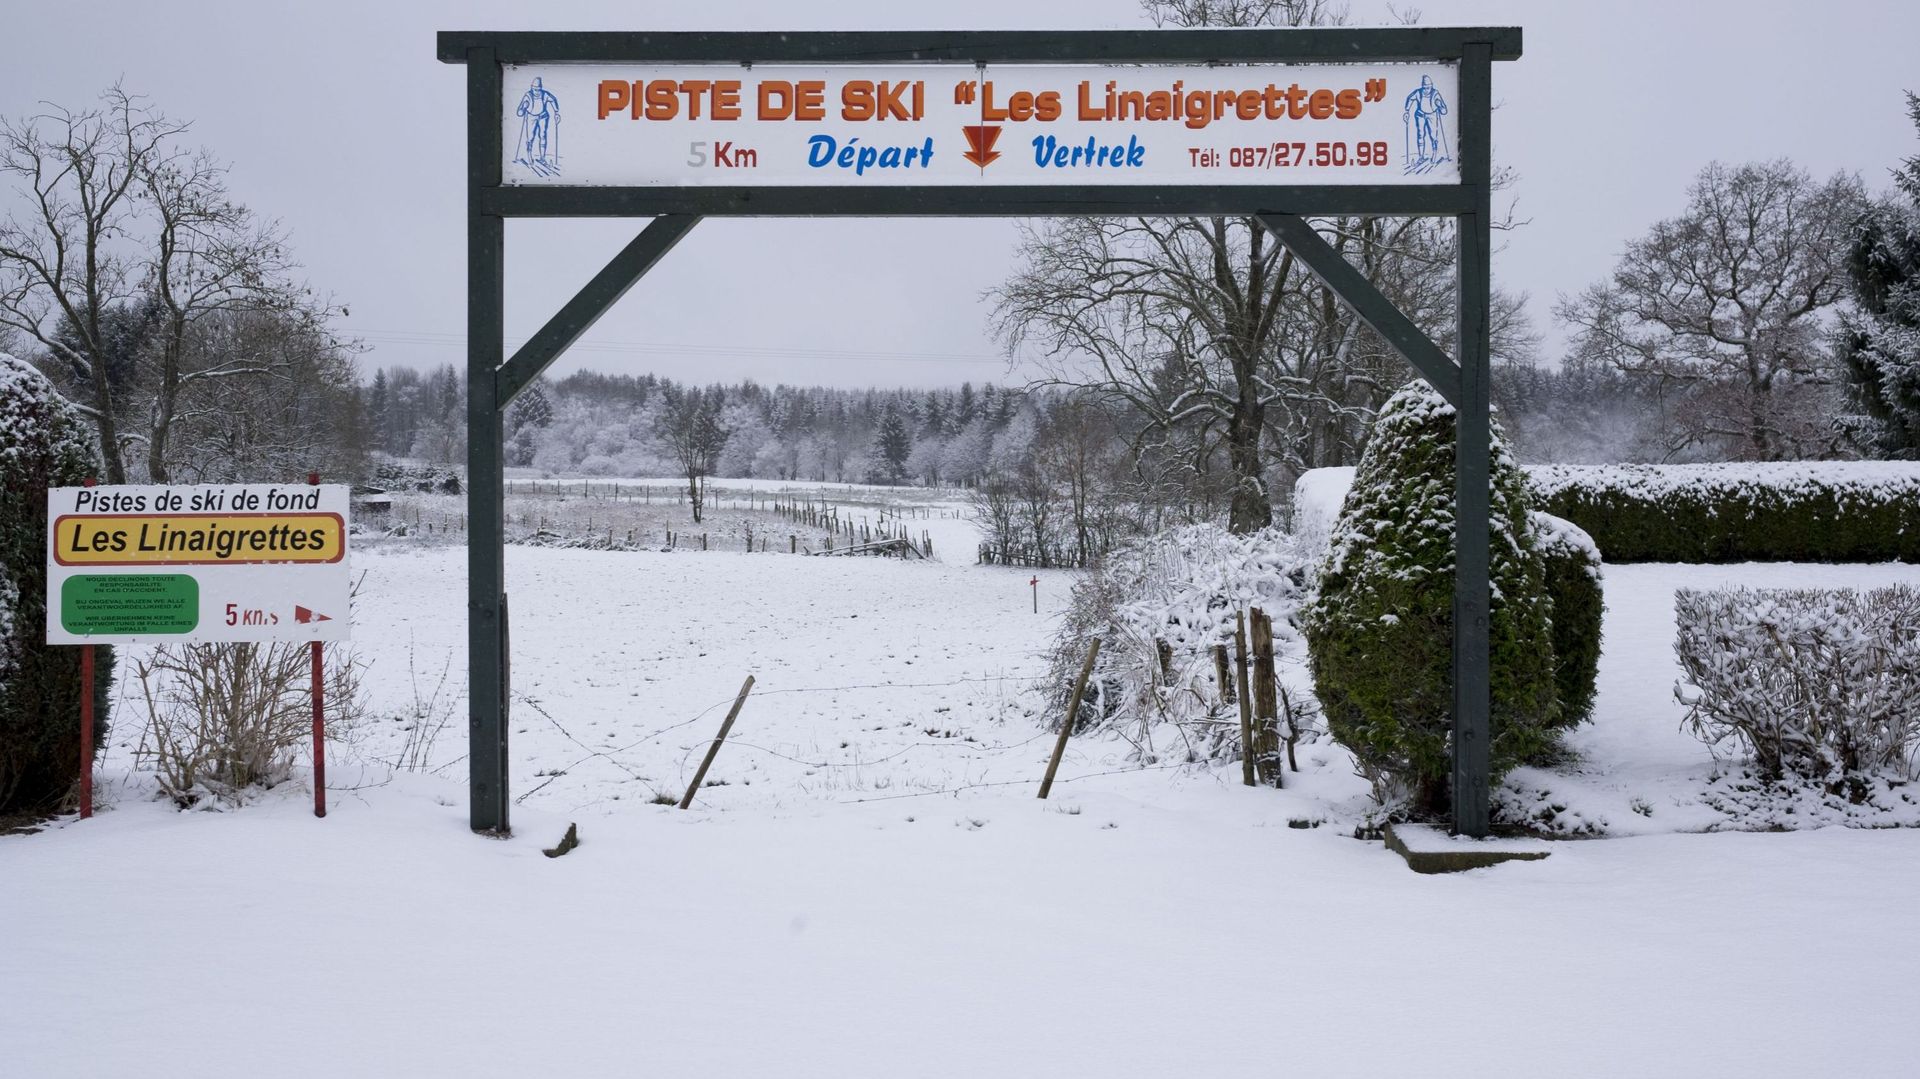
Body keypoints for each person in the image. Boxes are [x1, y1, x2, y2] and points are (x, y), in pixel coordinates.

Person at [1402, 75, 1449, 172]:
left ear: (1431, 86)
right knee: (1420, 134)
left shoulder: (1435, 93)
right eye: (1425, 87)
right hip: (1420, 114)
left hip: (1431, 115)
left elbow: (1444, 111)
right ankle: (1421, 156)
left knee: (1433, 135)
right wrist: (1407, 111)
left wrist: (1440, 106)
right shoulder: (1418, 92)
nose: (1427, 90)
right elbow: (1410, 98)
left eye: (1429, 87)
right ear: (1422, 86)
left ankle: (1434, 155)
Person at [515, 77, 560, 175]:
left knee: (543, 135)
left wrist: (556, 112)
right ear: (531, 88)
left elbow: (553, 100)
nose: (536, 92)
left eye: (538, 89)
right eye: (535, 89)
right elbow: (519, 112)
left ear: (541, 88)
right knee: (530, 137)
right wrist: (524, 107)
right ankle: (529, 156)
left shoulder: (544, 94)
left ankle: (542, 157)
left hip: (543, 116)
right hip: (532, 117)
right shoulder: (528, 95)